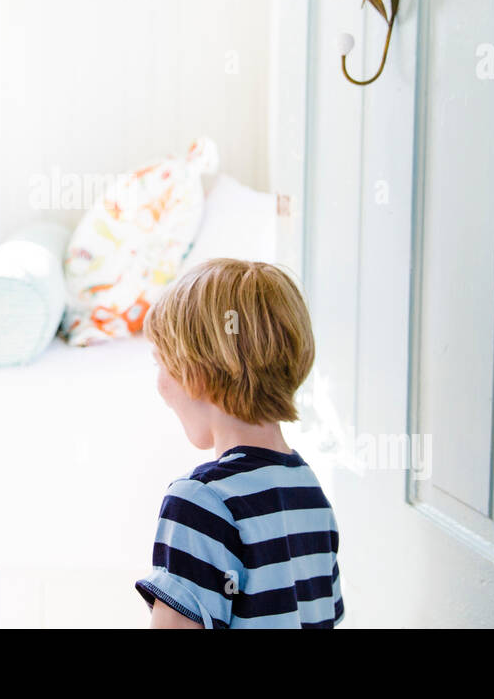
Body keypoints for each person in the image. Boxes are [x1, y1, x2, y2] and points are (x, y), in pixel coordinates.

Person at [136, 258, 344, 628]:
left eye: (159, 363)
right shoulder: (311, 496)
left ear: (195, 373)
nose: (159, 385)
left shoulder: (200, 503)